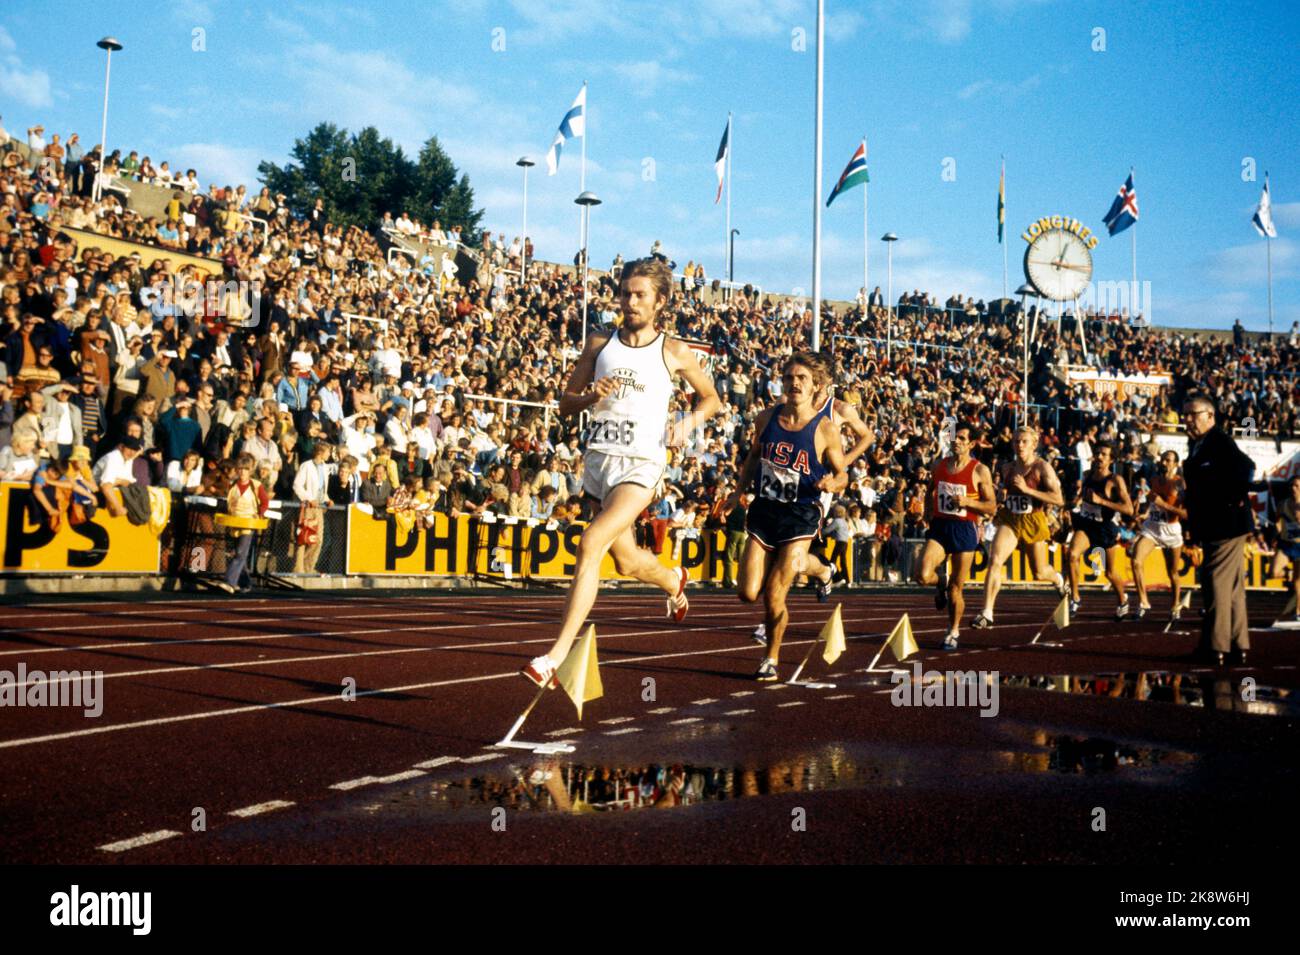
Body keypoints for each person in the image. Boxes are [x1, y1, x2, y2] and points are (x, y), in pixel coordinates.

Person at [521, 257, 720, 690]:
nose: (630, 302)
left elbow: (711, 400)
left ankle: (554, 657)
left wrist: (684, 425)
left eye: (640, 295)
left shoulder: (673, 350)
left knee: (591, 543)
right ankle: (672, 578)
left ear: (660, 302)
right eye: (626, 293)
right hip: (600, 463)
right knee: (626, 560)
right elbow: (565, 402)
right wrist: (590, 396)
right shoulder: (598, 344)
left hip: (643, 464)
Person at [728, 352, 847, 681]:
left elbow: (843, 474)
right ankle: (823, 569)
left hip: (800, 513)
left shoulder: (824, 429)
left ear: (815, 386)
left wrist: (832, 481)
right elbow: (753, 457)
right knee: (748, 593)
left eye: (802, 379)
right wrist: (736, 490)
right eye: (789, 378)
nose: (794, 383)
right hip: (765, 509)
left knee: (775, 592)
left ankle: (771, 657)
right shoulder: (765, 418)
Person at [972, 426, 1068, 629]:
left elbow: (1058, 499)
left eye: (1024, 441)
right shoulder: (1007, 468)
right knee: (995, 560)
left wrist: (1027, 490)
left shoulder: (1043, 468)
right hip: (1011, 520)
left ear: (1034, 444)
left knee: (1039, 572)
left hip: (1034, 521)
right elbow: (1003, 493)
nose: (1019, 445)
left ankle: (1058, 580)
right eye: (1016, 441)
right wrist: (1001, 496)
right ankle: (986, 612)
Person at [1182, 396, 1254, 665]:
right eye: (1185, 414)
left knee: (1216, 584)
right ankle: (1238, 645)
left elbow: (1246, 468)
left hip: (1225, 525)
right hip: (1218, 525)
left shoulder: (1219, 441)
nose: (1188, 419)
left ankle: (1216, 647)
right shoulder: (1199, 444)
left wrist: (1230, 498)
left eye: (1193, 414)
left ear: (1210, 415)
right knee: (1231, 587)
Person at [913, 422, 996, 649]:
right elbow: (930, 490)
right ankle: (941, 580)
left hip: (964, 529)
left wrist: (968, 501)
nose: (956, 441)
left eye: (961, 438)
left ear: (971, 443)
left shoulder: (979, 470)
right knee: (921, 574)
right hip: (940, 527)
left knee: (956, 590)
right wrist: (928, 511)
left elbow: (991, 507)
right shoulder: (940, 465)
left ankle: (953, 631)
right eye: (954, 437)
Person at [1065, 442, 1135, 619]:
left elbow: (1129, 509)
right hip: (1087, 524)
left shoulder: (1115, 480)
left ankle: (1122, 600)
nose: (1099, 457)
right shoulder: (1087, 475)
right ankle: (1075, 598)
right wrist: (1073, 504)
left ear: (1111, 459)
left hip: (1105, 528)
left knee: (1110, 573)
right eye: (1097, 453)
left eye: (1104, 454)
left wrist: (1101, 501)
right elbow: (1082, 498)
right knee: (1072, 555)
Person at [1132, 450, 1188, 620]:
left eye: (1169, 460)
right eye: (1163, 459)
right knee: (1136, 561)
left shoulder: (1180, 485)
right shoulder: (1154, 480)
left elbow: (1185, 514)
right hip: (1152, 528)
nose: (1164, 463)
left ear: (1176, 464)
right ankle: (1143, 601)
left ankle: (1175, 605)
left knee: (1172, 573)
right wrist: (1146, 513)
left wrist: (1164, 505)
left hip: (1171, 530)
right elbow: (1152, 500)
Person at [218, 453, 269, 594]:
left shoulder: (256, 485)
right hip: (234, 523)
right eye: (240, 469)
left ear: (250, 470)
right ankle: (245, 583)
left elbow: (265, 502)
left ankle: (229, 582)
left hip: (249, 523)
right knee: (240, 555)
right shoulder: (232, 485)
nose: (242, 472)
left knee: (240, 553)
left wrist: (260, 514)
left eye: (245, 469)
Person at [1269, 476, 1300, 622]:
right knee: (1273, 572)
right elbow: (1277, 521)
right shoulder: (1283, 504)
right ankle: (1288, 574)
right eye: (1292, 486)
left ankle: (1298, 612)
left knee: (1298, 582)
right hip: (1287, 544)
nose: (1294, 489)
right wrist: (1277, 533)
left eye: (1297, 486)